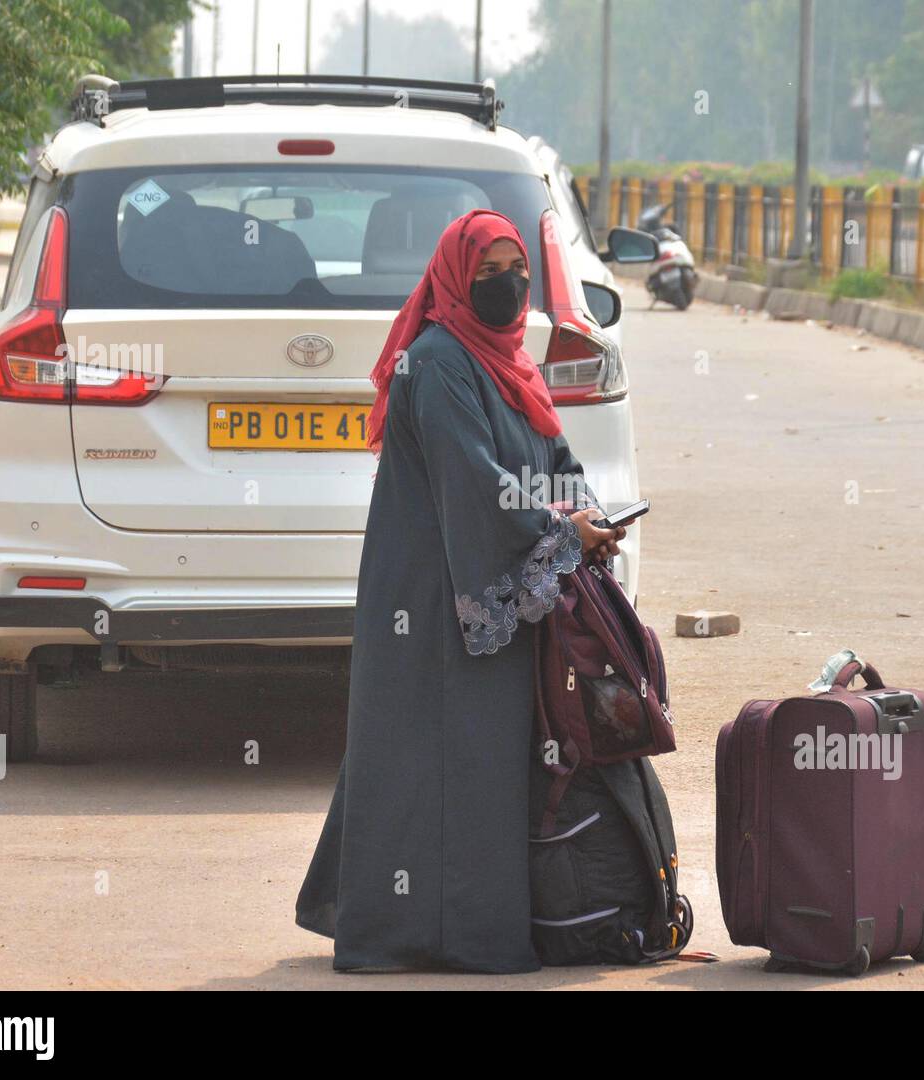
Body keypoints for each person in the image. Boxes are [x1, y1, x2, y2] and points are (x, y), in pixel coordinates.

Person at [295, 208, 626, 973]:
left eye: (516, 272)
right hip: (428, 595)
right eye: (487, 275)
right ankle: (430, 935)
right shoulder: (440, 361)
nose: (507, 287)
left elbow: (551, 454)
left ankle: (455, 925)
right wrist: (561, 530)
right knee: (426, 760)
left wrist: (586, 509)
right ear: (453, 280)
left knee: (471, 764)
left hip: (480, 585)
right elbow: (478, 486)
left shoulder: (512, 360)